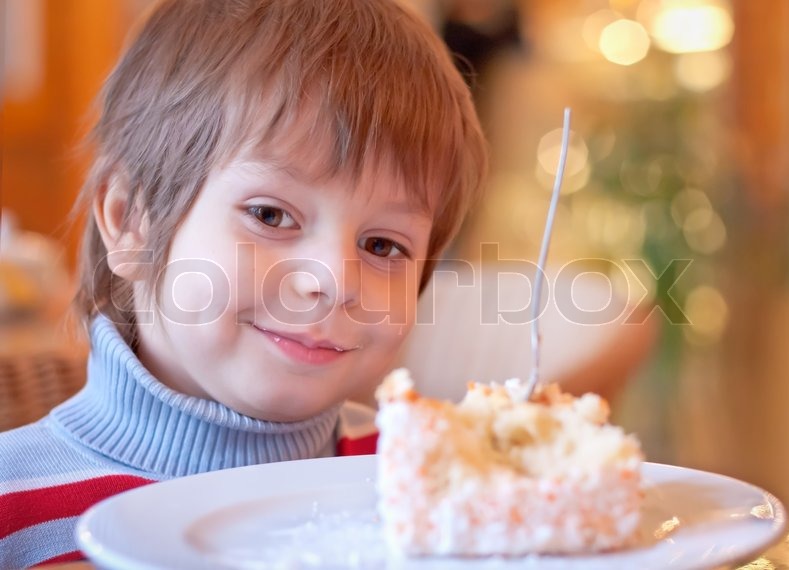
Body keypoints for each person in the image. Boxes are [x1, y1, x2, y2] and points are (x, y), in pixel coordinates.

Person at [0, 0, 487, 565]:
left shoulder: (427, 484)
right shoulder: (15, 510)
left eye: (383, 246)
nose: (331, 282)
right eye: (271, 215)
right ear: (131, 219)